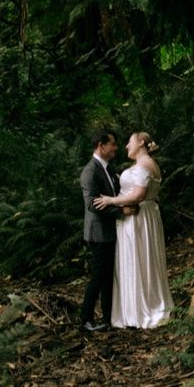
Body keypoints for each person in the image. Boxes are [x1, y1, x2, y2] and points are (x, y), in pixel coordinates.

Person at [94, 131, 173, 329]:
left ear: (141, 142)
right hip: (143, 216)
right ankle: (140, 306)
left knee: (139, 259)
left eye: (129, 142)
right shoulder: (147, 164)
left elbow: (138, 195)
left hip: (138, 219)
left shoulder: (144, 164)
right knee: (142, 259)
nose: (127, 146)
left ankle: (141, 310)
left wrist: (111, 201)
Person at [78, 128, 120, 333]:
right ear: (101, 146)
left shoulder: (108, 168)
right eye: (112, 144)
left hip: (110, 231)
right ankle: (85, 320)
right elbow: (93, 205)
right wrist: (120, 211)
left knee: (107, 276)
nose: (115, 148)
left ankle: (107, 317)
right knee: (98, 276)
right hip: (98, 233)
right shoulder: (90, 171)